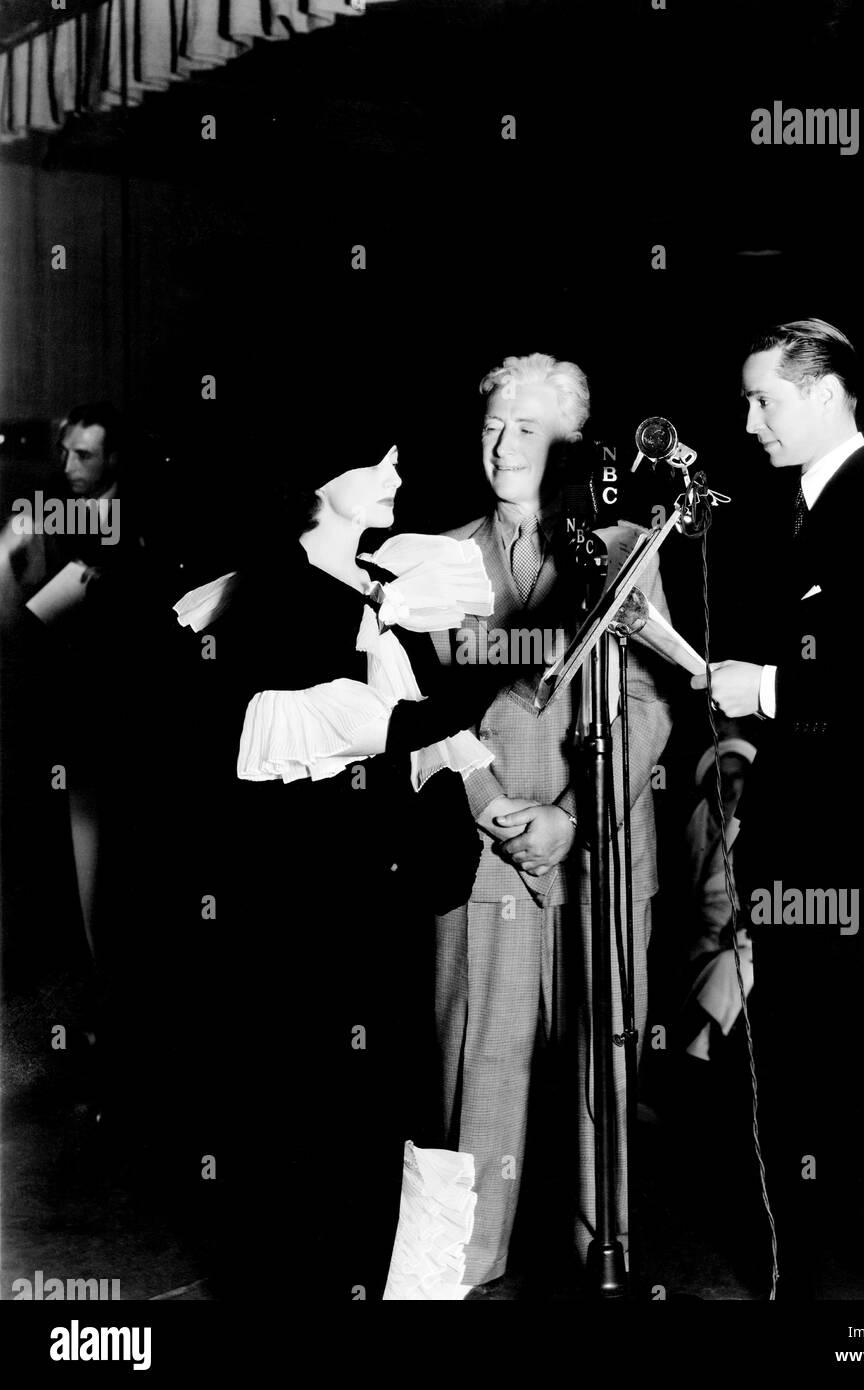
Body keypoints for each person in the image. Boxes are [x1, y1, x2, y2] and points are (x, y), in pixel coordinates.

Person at [172, 446, 499, 1300]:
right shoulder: (279, 597)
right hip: (308, 914)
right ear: (319, 477)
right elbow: (312, 741)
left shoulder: (371, 586)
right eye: (376, 462)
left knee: (379, 1104)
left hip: (372, 901)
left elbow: (400, 738)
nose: (396, 479)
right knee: (318, 1111)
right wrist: (441, 726)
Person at [691, 318, 864, 1299]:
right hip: (801, 870)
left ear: (826, 390)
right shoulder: (797, 505)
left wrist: (772, 694)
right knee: (793, 1099)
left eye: (766, 399)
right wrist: (755, 734)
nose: (749, 421)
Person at [431, 352, 674, 1294]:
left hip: (604, 850)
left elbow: (652, 707)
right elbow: (428, 715)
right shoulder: (443, 560)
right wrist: (492, 806)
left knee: (602, 1081)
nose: (502, 444)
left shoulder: (623, 550)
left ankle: (600, 1269)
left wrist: (575, 821)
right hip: (485, 855)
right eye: (493, 423)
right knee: (479, 1077)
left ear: (570, 443)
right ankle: (465, 1268)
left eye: (526, 429)